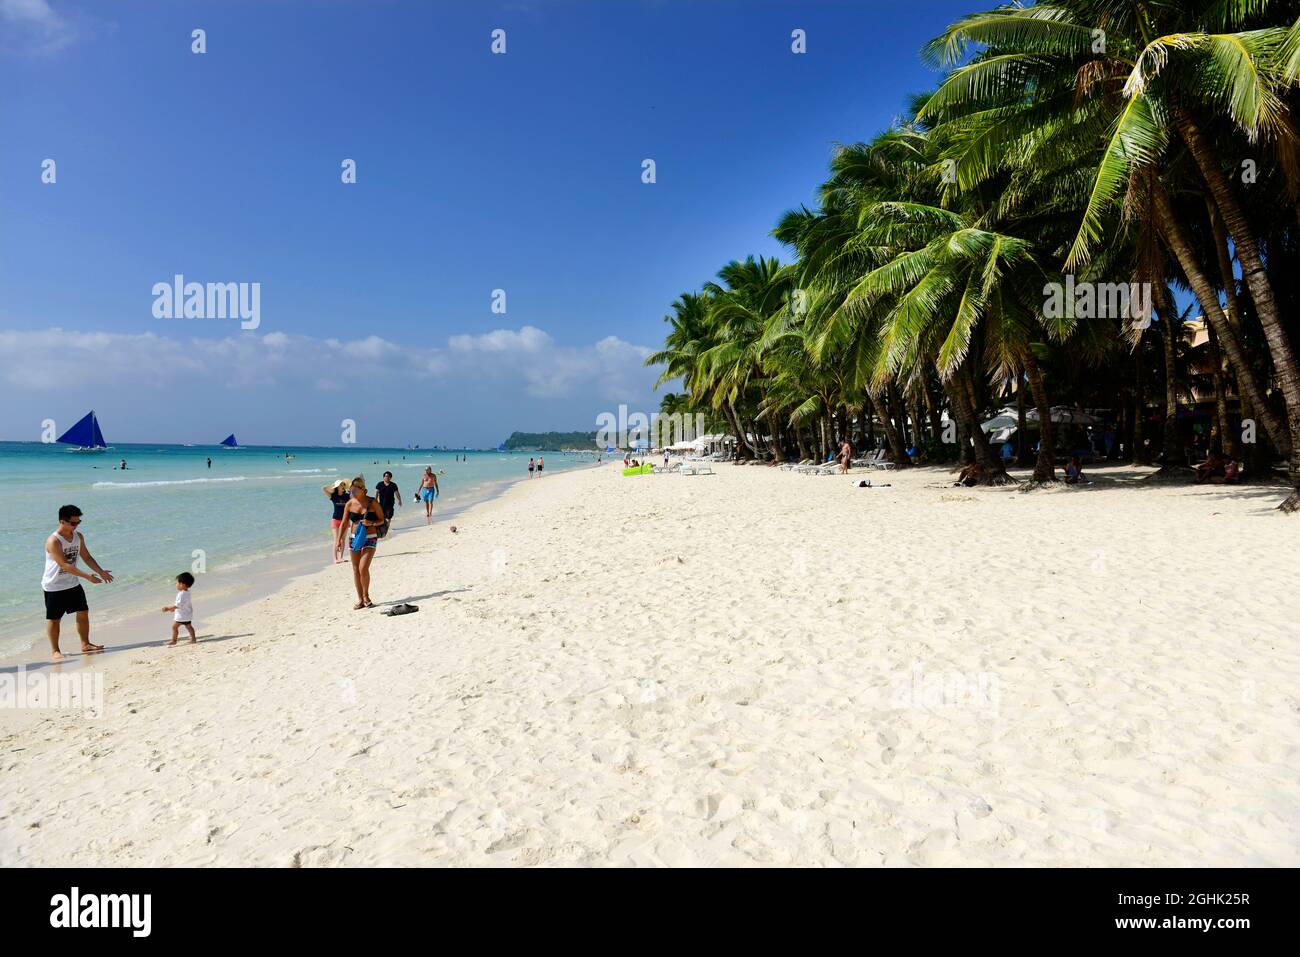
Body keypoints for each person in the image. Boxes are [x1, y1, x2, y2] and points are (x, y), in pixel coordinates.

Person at [42, 505, 114, 661]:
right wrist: (88, 576)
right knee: (54, 619)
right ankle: (55, 650)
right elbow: (64, 565)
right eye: (73, 523)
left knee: (83, 611)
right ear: (62, 521)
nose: (76, 526)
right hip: (54, 586)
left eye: (78, 522)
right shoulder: (54, 541)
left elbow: (87, 557)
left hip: (72, 583)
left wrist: (101, 571)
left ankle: (85, 644)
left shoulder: (78, 536)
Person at [342, 476, 382, 609]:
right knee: (355, 570)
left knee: (362, 568)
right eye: (351, 491)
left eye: (354, 491)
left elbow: (382, 520)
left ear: (363, 490)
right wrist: (338, 540)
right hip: (354, 538)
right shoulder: (349, 504)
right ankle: (360, 599)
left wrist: (371, 523)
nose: (352, 494)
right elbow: (344, 523)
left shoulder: (373, 502)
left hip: (370, 537)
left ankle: (366, 596)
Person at [162, 572, 197, 645]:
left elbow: (178, 604)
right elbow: (181, 604)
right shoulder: (187, 592)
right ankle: (193, 639)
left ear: (182, 584)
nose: (176, 585)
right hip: (187, 614)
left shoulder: (182, 594)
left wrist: (168, 608)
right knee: (189, 627)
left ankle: (174, 641)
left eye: (177, 583)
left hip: (182, 616)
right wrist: (174, 608)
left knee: (174, 627)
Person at [323, 479, 351, 563]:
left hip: (345, 520)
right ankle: (335, 559)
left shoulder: (347, 496)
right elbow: (323, 488)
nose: (342, 486)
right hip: (335, 520)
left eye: (343, 485)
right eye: (341, 485)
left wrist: (351, 490)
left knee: (343, 539)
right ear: (337, 487)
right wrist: (333, 486)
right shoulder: (333, 496)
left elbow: (356, 495)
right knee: (336, 540)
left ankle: (341, 557)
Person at [374, 471, 402, 538]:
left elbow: (397, 493)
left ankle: (386, 528)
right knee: (381, 517)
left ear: (390, 477)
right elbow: (376, 493)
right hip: (381, 504)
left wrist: (400, 500)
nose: (387, 477)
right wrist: (374, 502)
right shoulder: (379, 484)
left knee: (388, 517)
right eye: (385, 476)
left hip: (390, 504)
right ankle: (382, 528)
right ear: (383, 477)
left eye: (388, 476)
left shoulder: (393, 485)